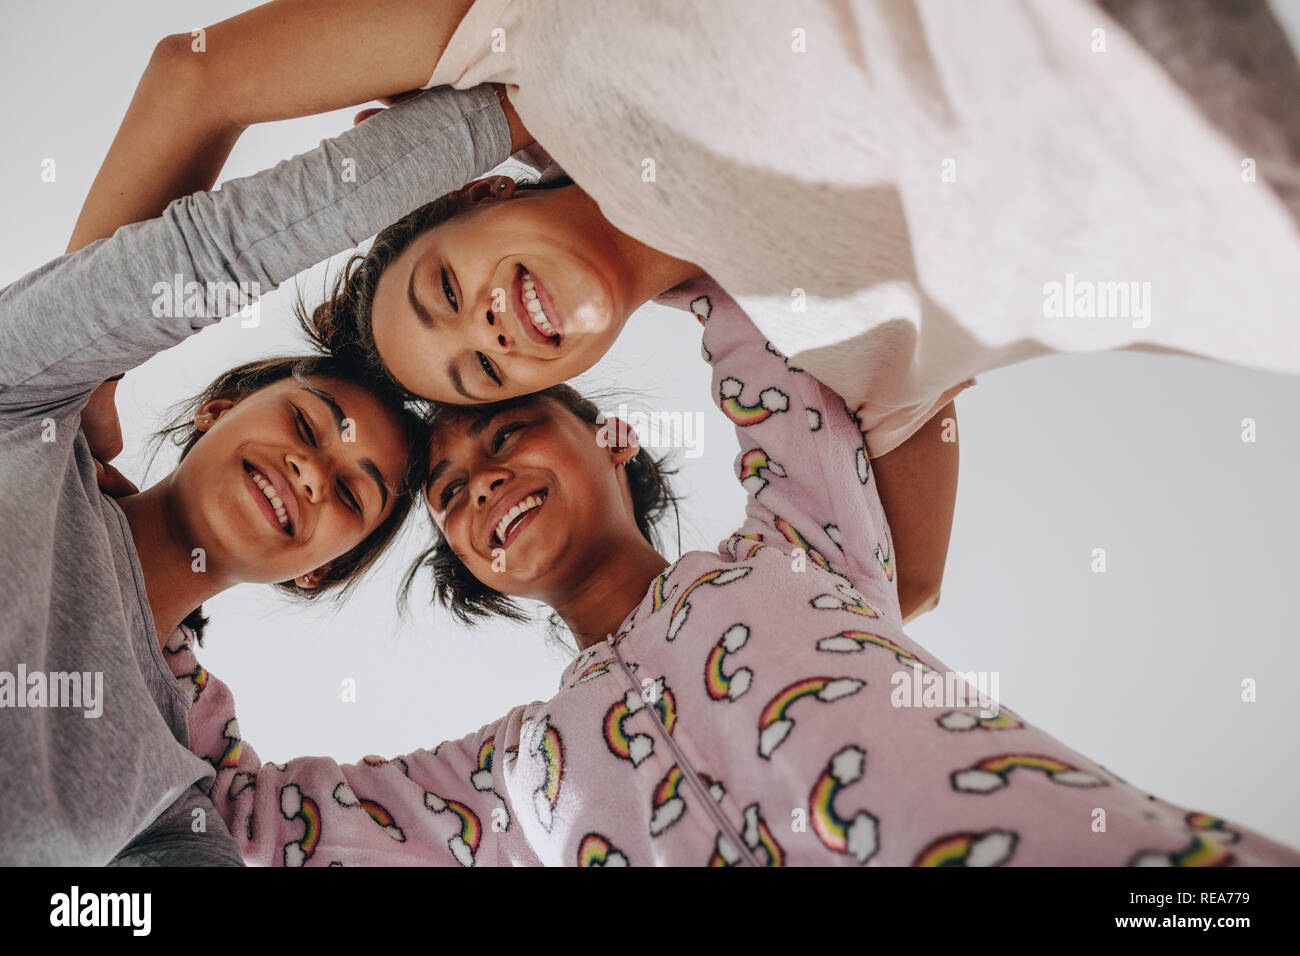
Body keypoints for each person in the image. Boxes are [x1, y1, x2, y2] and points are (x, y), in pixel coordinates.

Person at [172, 276, 1300, 865]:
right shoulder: (497, 786)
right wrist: (167, 600)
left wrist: (563, 228)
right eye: (449, 494)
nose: (479, 483)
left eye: (505, 433)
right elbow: (265, 825)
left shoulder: (803, 539)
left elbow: (756, 307)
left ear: (607, 438)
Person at [0, 74, 523, 863]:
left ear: (320, 570)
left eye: (351, 492)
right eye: (309, 423)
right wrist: (520, 112)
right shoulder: (25, 405)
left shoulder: (183, 792)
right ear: (223, 402)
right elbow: (214, 247)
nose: (314, 473)